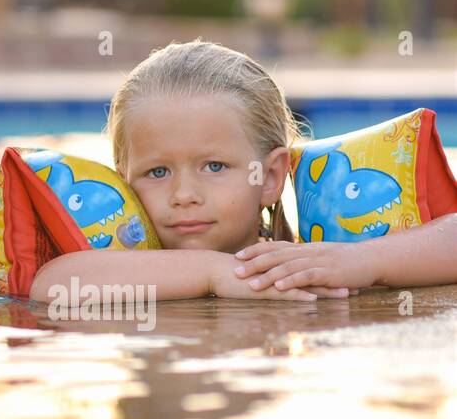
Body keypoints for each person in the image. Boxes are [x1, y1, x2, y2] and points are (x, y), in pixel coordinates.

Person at [30, 40, 456, 303]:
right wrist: (214, 274)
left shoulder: (308, 265)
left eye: (214, 166)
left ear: (270, 177)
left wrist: (362, 261)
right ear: (123, 179)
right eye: (157, 172)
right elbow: (51, 284)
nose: (183, 194)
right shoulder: (116, 272)